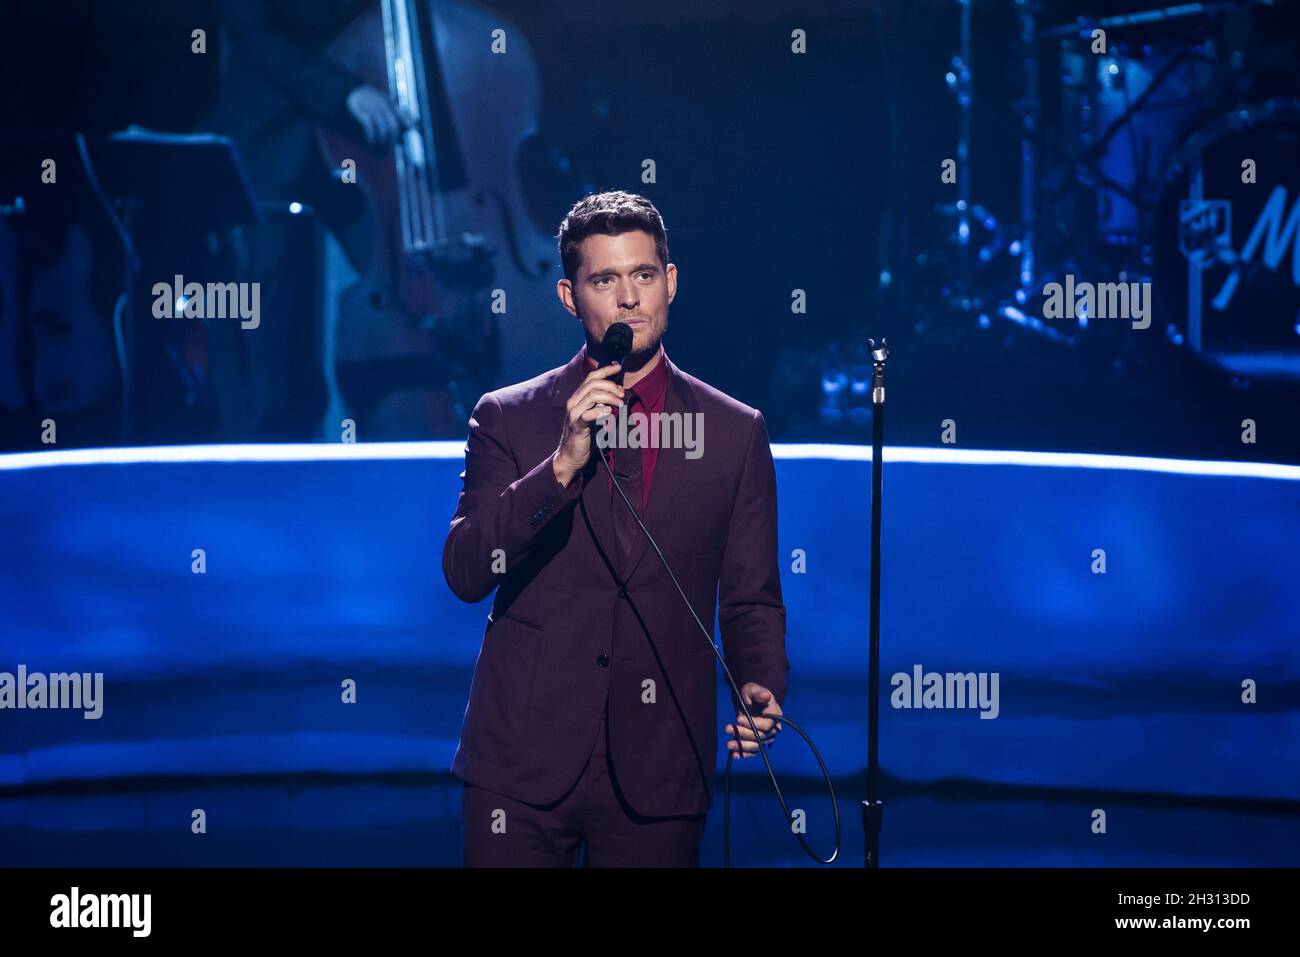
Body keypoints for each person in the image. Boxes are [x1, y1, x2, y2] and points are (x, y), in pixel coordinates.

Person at [443, 190, 788, 867]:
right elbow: (465, 569)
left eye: (644, 275)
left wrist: (761, 681)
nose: (629, 298)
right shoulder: (508, 417)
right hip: (521, 761)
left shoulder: (733, 431)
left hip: (661, 760)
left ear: (672, 282)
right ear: (571, 297)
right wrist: (560, 467)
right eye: (606, 279)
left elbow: (751, 594)